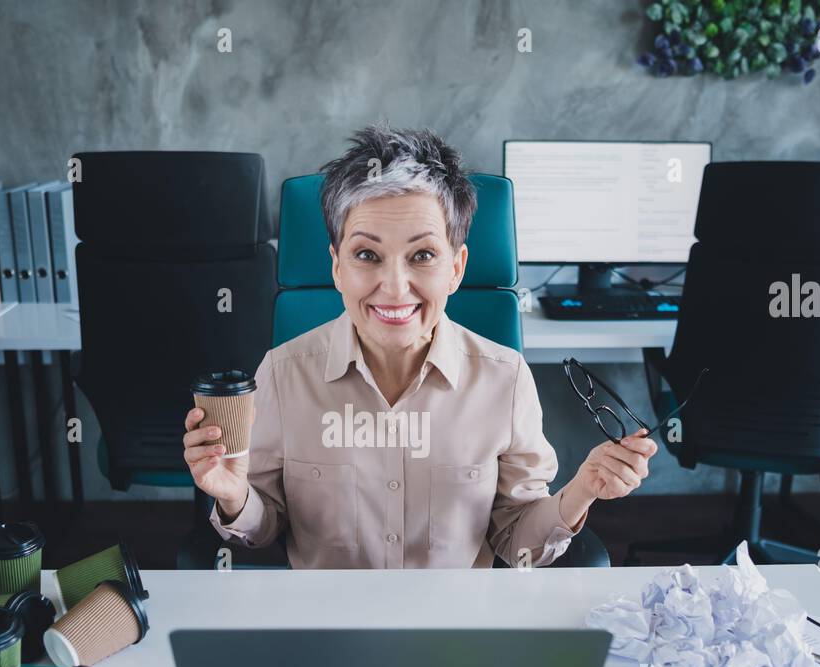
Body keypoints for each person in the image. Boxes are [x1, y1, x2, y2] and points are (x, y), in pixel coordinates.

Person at [184, 123, 656, 569]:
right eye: (367, 255)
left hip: (455, 634)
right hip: (330, 630)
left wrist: (582, 491)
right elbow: (265, 527)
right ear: (336, 268)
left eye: (423, 255)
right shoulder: (283, 374)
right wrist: (232, 496)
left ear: (456, 268)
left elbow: (518, 542)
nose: (394, 286)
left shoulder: (504, 378)